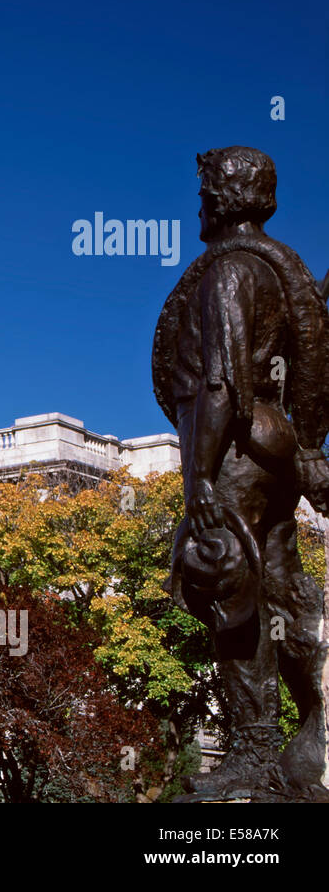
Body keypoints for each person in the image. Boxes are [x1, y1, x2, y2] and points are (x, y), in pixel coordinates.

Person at [151, 146, 329, 799]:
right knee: (279, 587)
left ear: (225, 199)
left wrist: (198, 478)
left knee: (228, 592)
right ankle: (314, 726)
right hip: (274, 458)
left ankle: (254, 749)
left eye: (205, 191)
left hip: (234, 456)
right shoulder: (280, 270)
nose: (198, 203)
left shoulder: (228, 273)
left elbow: (223, 383)